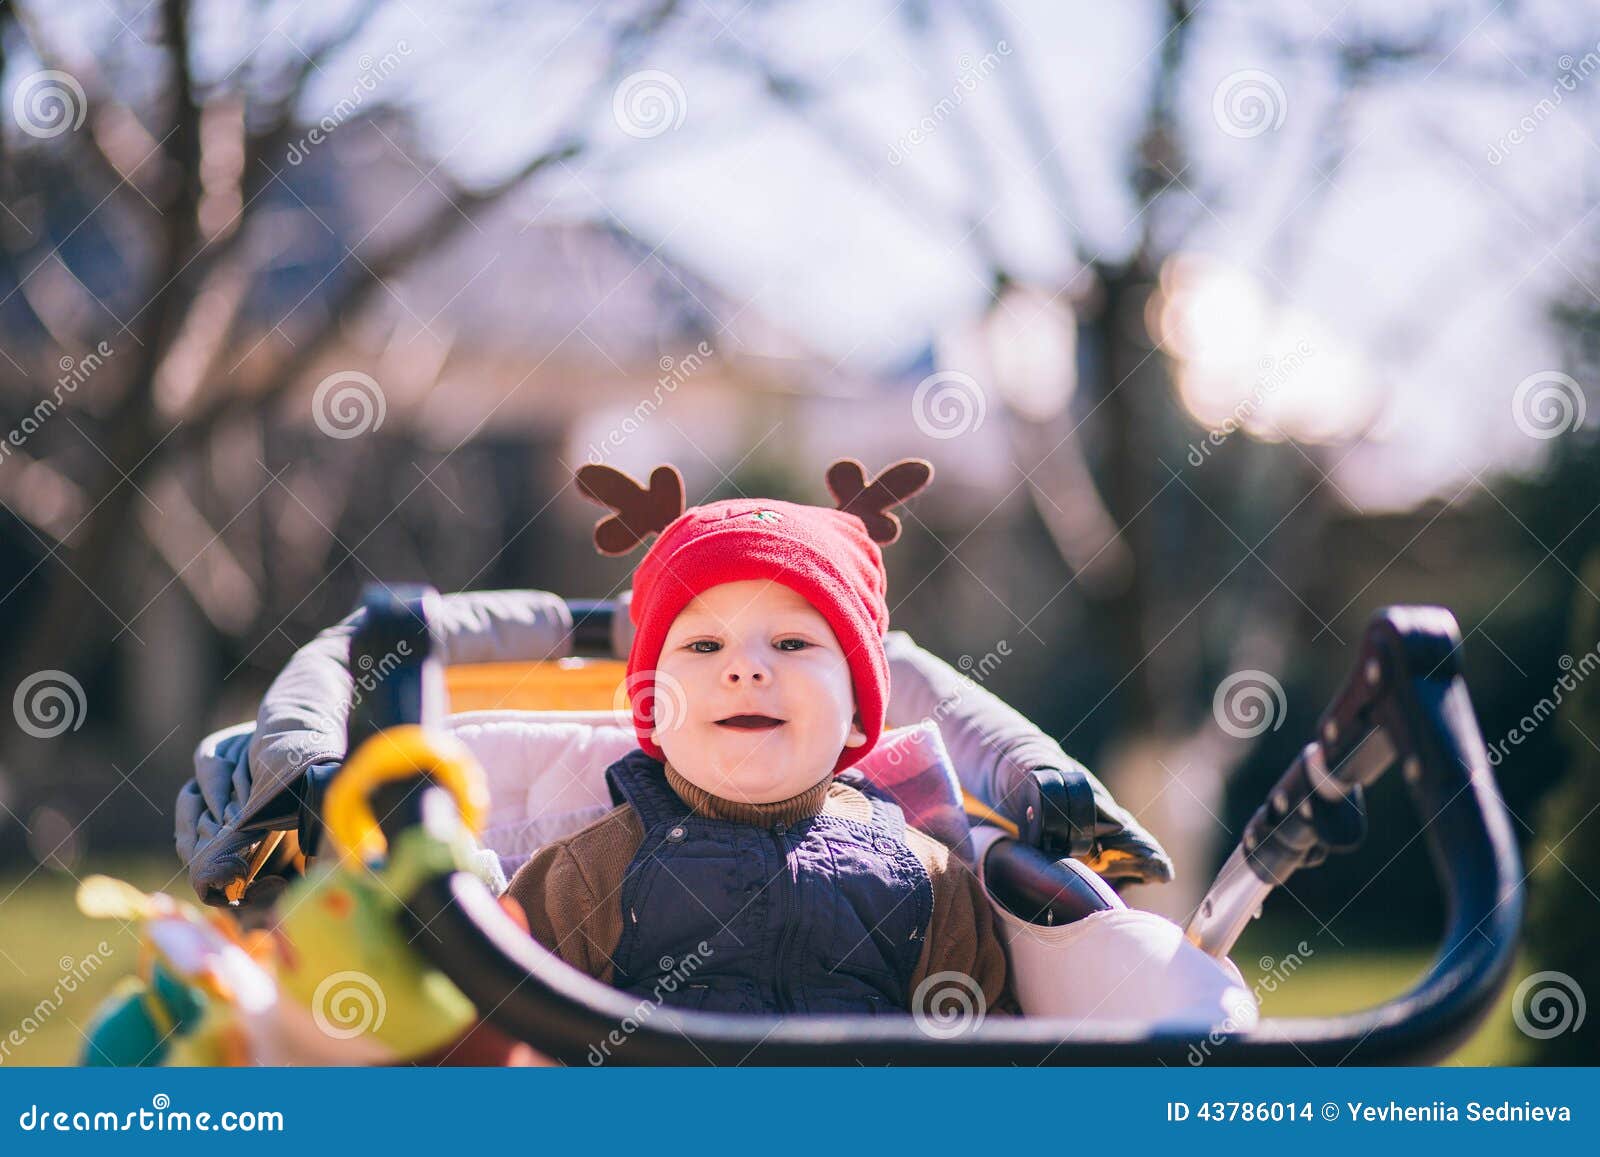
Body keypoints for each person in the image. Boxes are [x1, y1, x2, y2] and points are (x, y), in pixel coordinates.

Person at [505, 456, 1014, 1020]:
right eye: (704, 646)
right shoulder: (585, 876)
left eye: (792, 644)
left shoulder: (932, 884)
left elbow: (985, 1052)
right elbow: (502, 1041)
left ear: (858, 715)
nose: (745, 670)